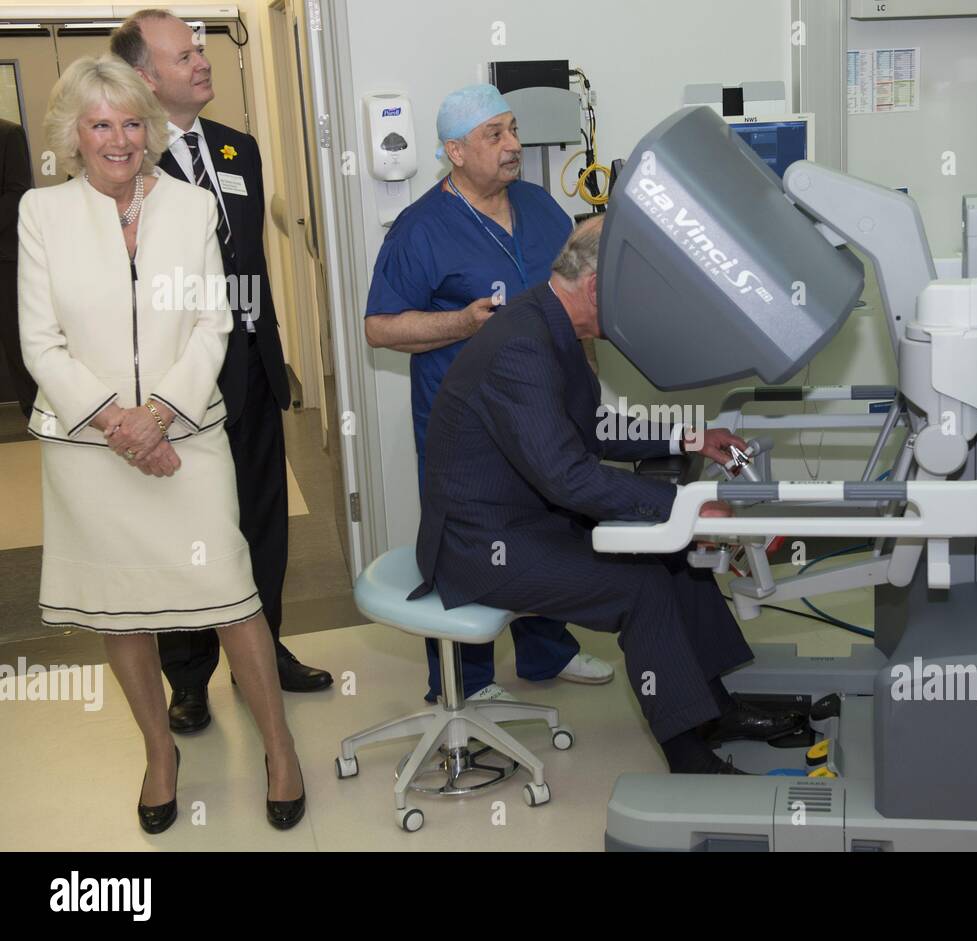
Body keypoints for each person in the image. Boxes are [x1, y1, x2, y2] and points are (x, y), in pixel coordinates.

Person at [19, 54, 304, 831]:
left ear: (149, 128)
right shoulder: (42, 215)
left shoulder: (189, 206)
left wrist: (161, 415)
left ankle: (279, 745)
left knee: (234, 598)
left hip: (187, 438)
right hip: (92, 447)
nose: (118, 138)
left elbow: (216, 321)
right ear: (73, 136)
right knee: (123, 613)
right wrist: (119, 421)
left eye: (131, 121)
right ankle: (158, 751)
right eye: (100, 124)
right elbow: (40, 343)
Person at [411, 218, 803, 773]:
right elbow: (567, 476)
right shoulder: (521, 347)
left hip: (529, 519)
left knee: (673, 556)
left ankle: (715, 709)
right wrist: (683, 507)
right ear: (596, 288)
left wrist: (688, 436)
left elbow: (590, 425)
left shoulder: (550, 324)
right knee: (639, 585)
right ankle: (688, 755)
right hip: (481, 546)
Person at [110, 9, 332, 739]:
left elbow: (250, 265)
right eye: (184, 55)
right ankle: (189, 675)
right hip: (180, 387)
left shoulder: (240, 150)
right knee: (187, 533)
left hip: (256, 370)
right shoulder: (130, 165)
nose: (202, 62)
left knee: (263, 522)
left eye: (201, 49)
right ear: (146, 77)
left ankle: (259, 654)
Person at [366, 83, 613, 703]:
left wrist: (586, 377)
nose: (513, 146)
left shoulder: (541, 207)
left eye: (513, 130)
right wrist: (461, 323)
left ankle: (546, 654)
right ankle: (465, 681)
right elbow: (380, 327)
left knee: (551, 527)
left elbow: (578, 295)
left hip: (544, 413)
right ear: (455, 151)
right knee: (468, 545)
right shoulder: (420, 230)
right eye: (494, 135)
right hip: (466, 428)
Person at [0, 116, 36, 418]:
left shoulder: (8, 134)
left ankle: (36, 412)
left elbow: (17, 193)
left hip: (5, 261)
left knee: (17, 344)